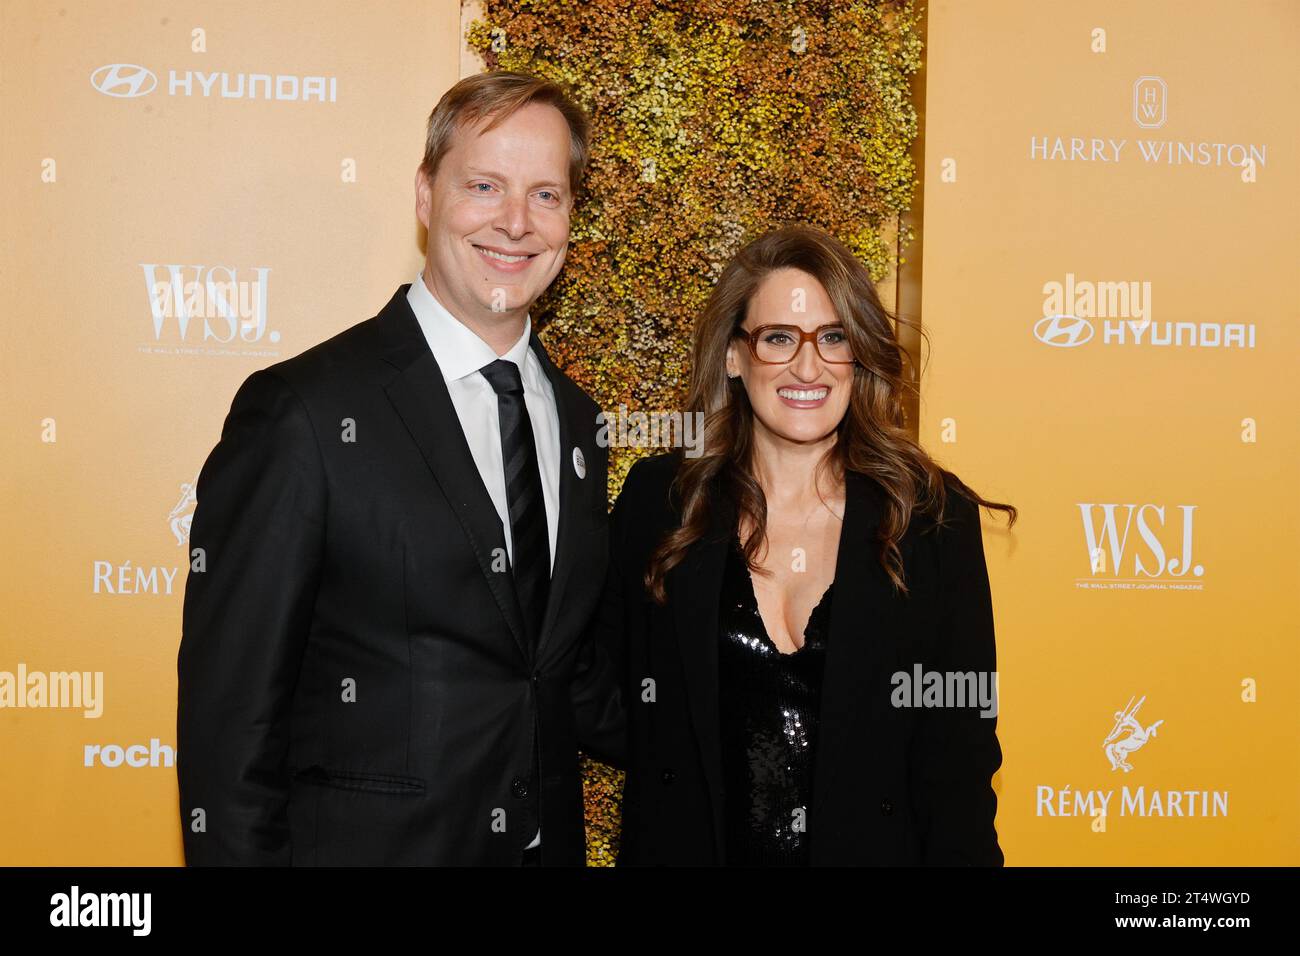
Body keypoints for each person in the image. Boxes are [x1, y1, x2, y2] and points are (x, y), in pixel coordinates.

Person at [177, 71, 625, 866]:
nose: (516, 223)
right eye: (483, 186)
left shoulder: (578, 421)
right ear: (425, 196)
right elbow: (229, 722)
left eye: (546, 195)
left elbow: (569, 675)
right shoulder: (303, 413)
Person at [598, 224, 1015, 865]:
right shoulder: (661, 504)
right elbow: (605, 689)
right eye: (778, 338)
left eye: (834, 337)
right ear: (734, 356)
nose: (807, 365)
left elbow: (957, 766)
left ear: (860, 355)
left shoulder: (932, 519)